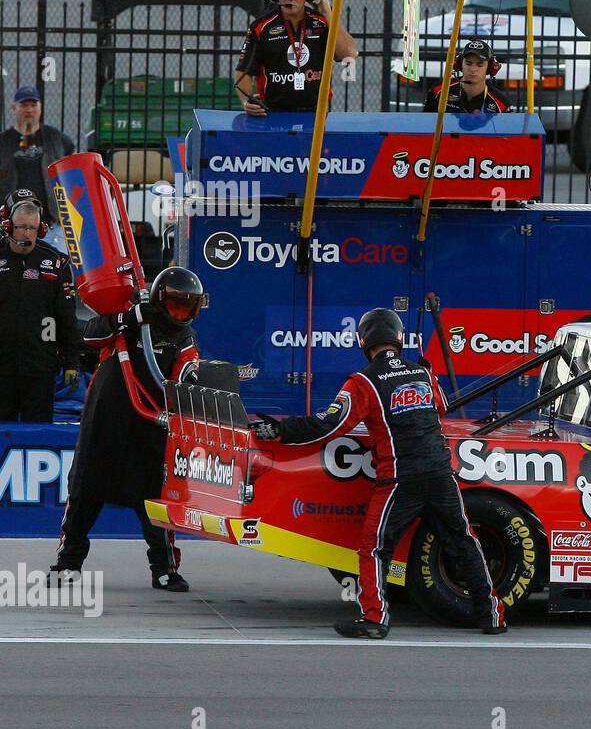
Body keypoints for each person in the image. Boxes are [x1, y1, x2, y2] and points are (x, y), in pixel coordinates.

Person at [251, 308, 506, 639]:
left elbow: (330, 424)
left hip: (401, 478)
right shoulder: (423, 374)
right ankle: (492, 616)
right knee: (462, 538)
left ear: (363, 341)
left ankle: (374, 618)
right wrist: (424, 372)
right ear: (399, 338)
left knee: (373, 548)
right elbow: (440, 406)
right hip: (441, 474)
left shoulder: (363, 381)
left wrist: (280, 431)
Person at [50, 267, 205, 591]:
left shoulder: (184, 337)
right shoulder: (131, 314)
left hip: (149, 424)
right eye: (176, 304)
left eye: (187, 306)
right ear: (161, 299)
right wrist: (127, 319)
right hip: (103, 423)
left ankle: (163, 569)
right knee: (83, 494)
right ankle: (67, 564)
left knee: (155, 503)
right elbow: (90, 335)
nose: (181, 312)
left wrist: (190, 383)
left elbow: (188, 367)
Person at [0, 189, 80, 421]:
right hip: (2, 368)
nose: (27, 233)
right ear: (8, 227)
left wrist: (71, 362)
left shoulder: (56, 262)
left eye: (32, 228)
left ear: (41, 229)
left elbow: (66, 316)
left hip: (39, 370)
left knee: (38, 430)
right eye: (22, 227)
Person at [235, 0, 358, 115]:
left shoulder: (323, 22)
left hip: (317, 113)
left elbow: (349, 54)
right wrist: (246, 101)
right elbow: (243, 71)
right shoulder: (261, 27)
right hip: (272, 113)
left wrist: (328, 13)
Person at [0, 85, 75, 249]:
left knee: (60, 269)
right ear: (14, 108)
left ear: (40, 108)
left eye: (33, 105)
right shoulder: (4, 141)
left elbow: (72, 168)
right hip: (12, 228)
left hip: (52, 226)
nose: (29, 110)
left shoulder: (55, 138)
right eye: (24, 105)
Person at [426, 40, 511, 115]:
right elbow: (424, 126)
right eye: (468, 63)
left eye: (480, 65)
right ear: (459, 65)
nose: (473, 69)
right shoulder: (439, 90)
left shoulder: (501, 103)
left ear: (490, 68)